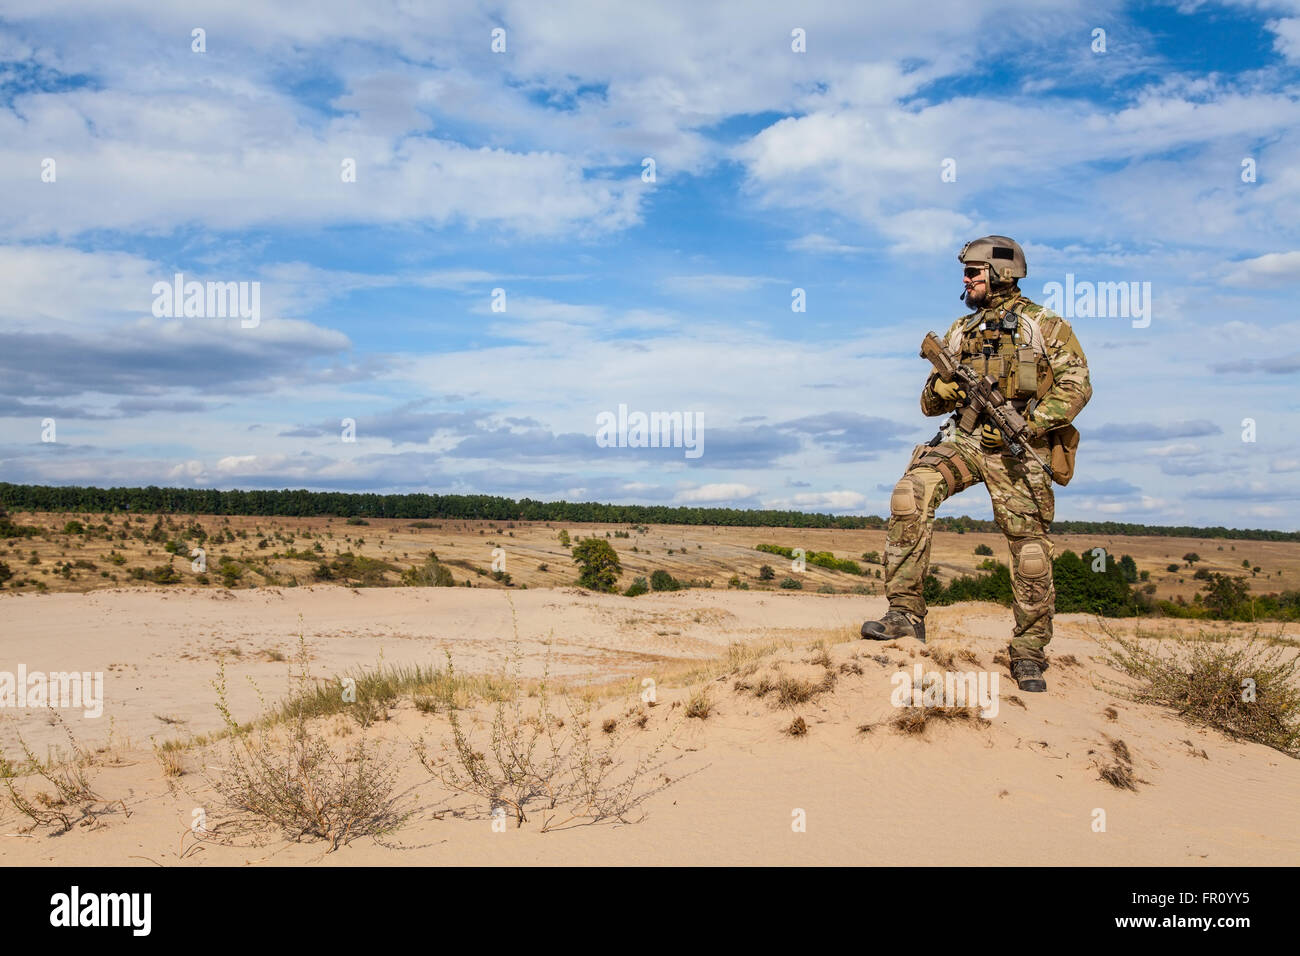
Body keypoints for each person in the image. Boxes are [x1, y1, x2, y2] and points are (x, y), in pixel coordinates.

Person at [861, 235, 1091, 693]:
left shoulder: (1045, 326)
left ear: (1002, 273)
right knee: (910, 493)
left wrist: (1031, 422)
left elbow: (1077, 383)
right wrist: (941, 392)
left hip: (1016, 447)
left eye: (973, 272)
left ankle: (1029, 651)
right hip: (965, 441)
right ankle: (905, 614)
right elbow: (928, 403)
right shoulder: (959, 331)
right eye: (965, 272)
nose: (965, 280)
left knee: (1029, 552)